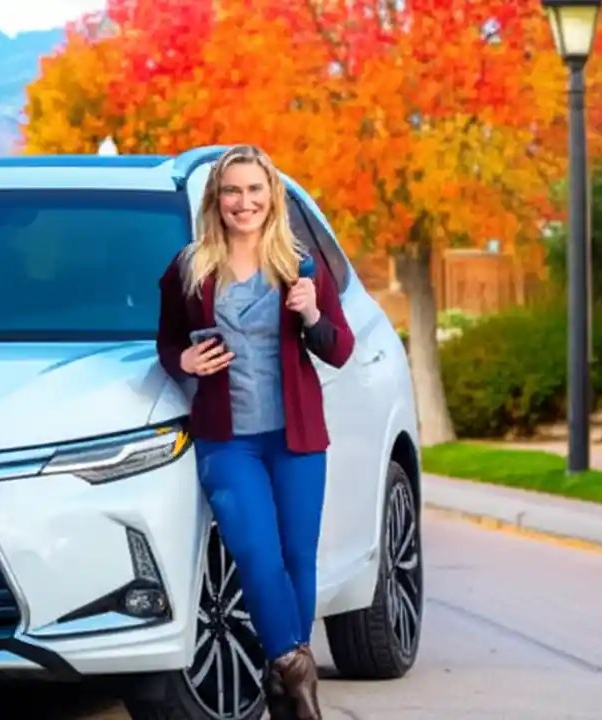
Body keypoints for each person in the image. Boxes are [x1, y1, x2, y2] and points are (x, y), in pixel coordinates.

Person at [155, 145, 354, 720]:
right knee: (256, 554)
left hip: (296, 440)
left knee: (298, 558)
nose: (244, 203)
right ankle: (295, 668)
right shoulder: (190, 268)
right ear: (217, 200)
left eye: (254, 191)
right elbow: (168, 341)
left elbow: (339, 350)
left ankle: (285, 682)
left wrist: (313, 314)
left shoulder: (302, 265)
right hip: (227, 439)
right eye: (232, 192)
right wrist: (184, 365)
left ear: (273, 197)